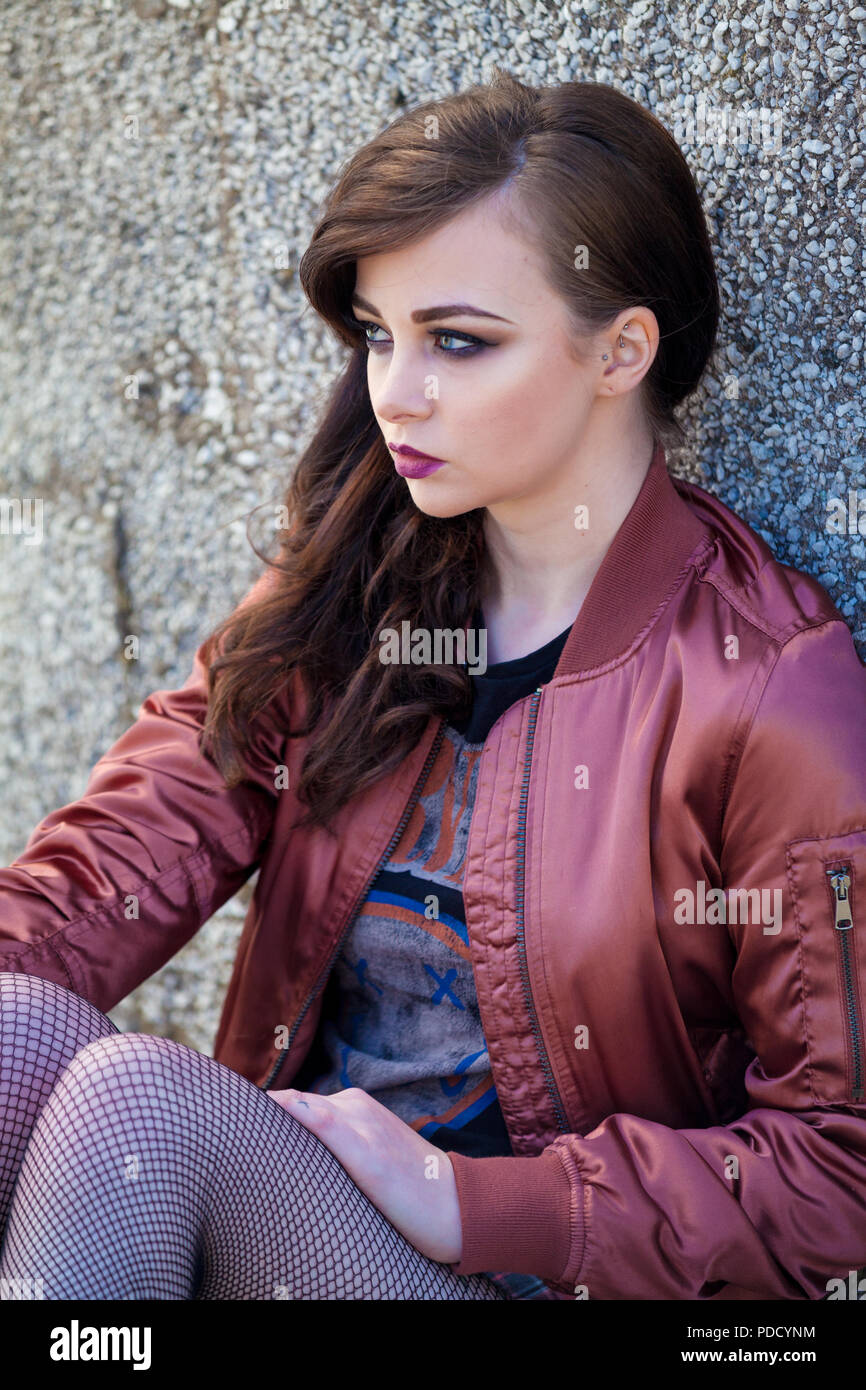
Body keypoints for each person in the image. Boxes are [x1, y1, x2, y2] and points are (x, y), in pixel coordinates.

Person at [1, 67, 865, 1302]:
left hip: (528, 1279)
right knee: (16, 1029)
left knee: (138, 1101)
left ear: (621, 350)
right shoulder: (349, 594)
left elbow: (836, 1171)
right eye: (376, 334)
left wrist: (471, 1200)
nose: (393, 393)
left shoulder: (767, 691)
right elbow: (108, 869)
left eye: (457, 340)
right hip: (279, 1225)